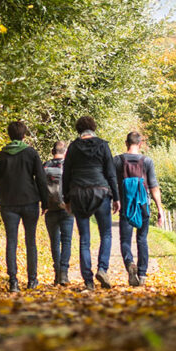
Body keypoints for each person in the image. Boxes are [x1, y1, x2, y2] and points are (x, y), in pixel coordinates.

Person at [0, 121, 50, 293]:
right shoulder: (31, 153)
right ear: (24, 135)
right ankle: (32, 280)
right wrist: (45, 202)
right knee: (30, 241)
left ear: (9, 135)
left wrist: (2, 191)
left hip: (8, 203)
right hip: (30, 201)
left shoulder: (2, 155)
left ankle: (13, 281)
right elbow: (40, 178)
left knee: (11, 241)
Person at [62, 116, 120, 290]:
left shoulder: (73, 147)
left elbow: (66, 175)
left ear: (78, 129)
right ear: (93, 128)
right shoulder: (102, 145)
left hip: (78, 193)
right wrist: (116, 197)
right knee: (106, 234)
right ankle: (102, 268)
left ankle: (88, 281)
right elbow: (111, 174)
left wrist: (66, 198)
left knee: (84, 239)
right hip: (101, 192)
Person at [113, 131, 164, 287]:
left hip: (125, 204)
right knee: (142, 239)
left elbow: (112, 183)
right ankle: (142, 275)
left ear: (126, 143)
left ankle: (129, 263)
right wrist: (159, 209)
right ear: (140, 143)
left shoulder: (117, 160)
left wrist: (115, 200)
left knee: (125, 240)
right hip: (143, 205)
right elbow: (154, 186)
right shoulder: (147, 161)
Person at [42, 141, 75, 286]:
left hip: (50, 208)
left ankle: (56, 273)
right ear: (65, 152)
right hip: (66, 208)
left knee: (54, 241)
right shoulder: (69, 166)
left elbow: (40, 186)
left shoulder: (45, 166)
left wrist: (42, 204)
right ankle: (64, 273)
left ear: (51, 151)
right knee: (66, 241)